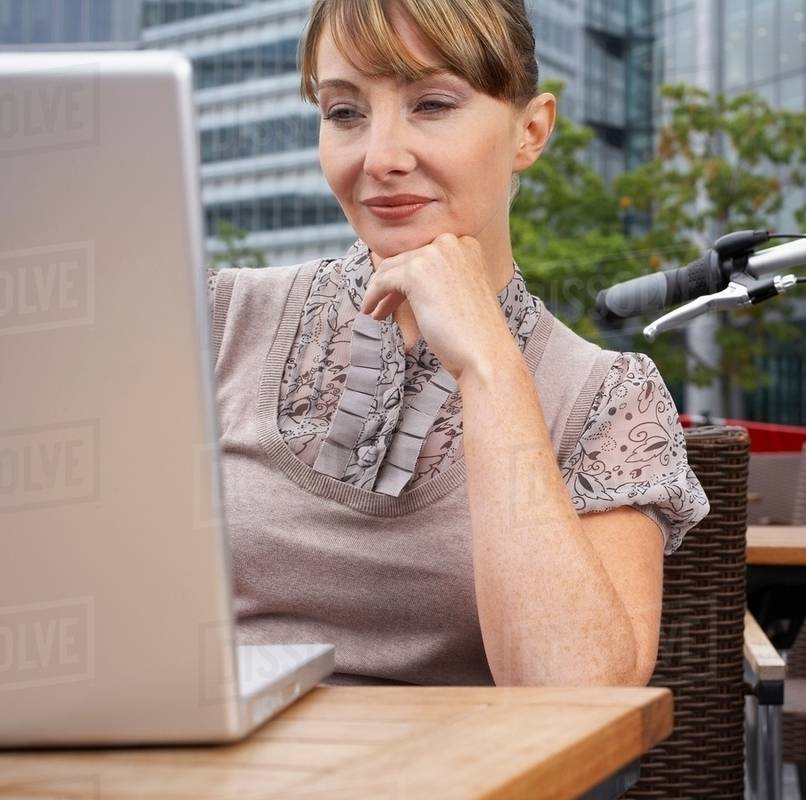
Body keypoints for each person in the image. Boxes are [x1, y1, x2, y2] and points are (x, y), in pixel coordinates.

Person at [205, 0, 709, 687]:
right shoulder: (217, 319)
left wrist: (488, 364)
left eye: (433, 103)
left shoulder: (609, 396)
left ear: (531, 132)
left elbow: (576, 700)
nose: (380, 158)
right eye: (345, 113)